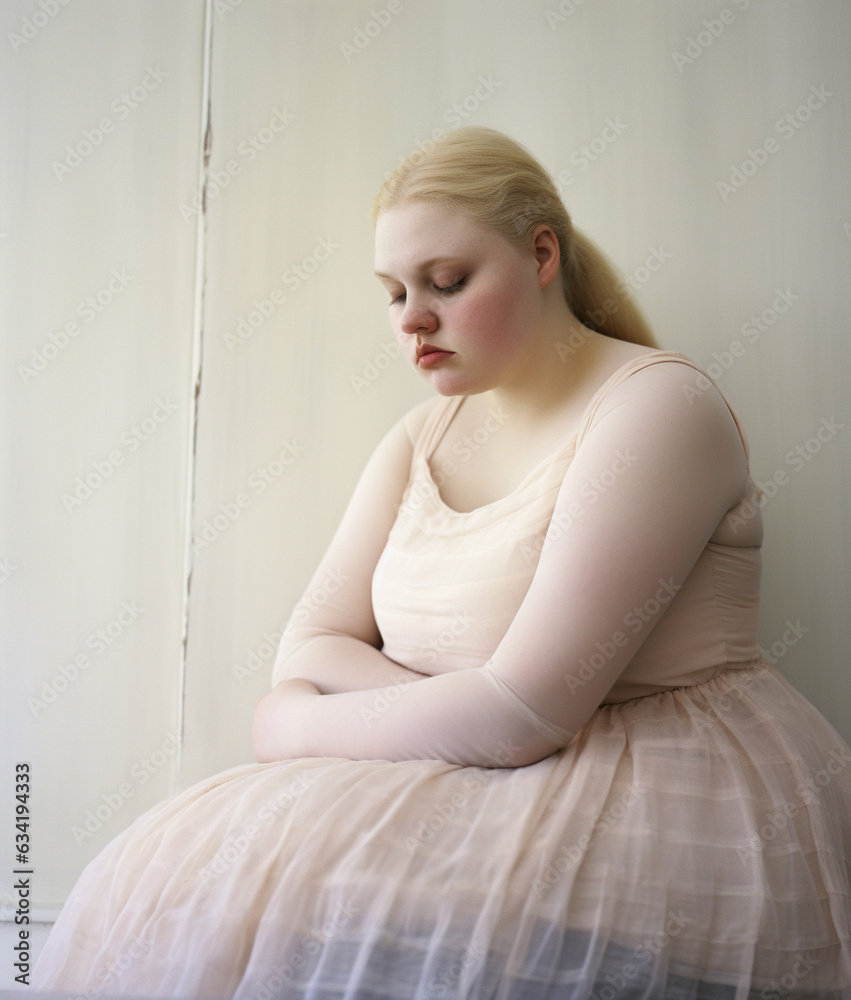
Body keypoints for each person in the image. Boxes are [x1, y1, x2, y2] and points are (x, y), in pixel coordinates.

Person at [34, 127, 851, 998]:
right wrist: (440, 699)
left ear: (542, 255)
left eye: (447, 283)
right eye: (392, 294)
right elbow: (309, 640)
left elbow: (522, 713)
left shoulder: (659, 408)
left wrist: (290, 724)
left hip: (664, 800)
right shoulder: (423, 434)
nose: (413, 319)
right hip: (456, 788)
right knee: (185, 882)